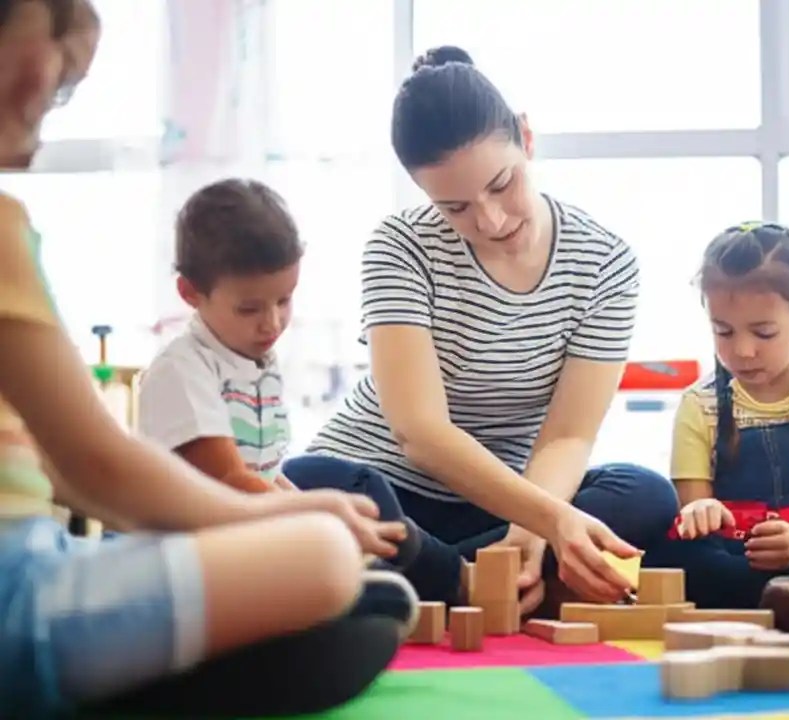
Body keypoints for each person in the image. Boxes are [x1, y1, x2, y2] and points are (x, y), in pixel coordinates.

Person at [0, 2, 408, 717]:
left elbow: (69, 476)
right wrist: (301, 515)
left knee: (341, 518)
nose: (271, 324)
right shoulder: (176, 360)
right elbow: (105, 471)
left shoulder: (254, 364)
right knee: (324, 558)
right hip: (21, 595)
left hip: (46, 563)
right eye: (53, 58)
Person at [291, 45, 677, 614]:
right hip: (385, 490)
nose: (490, 221)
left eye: (502, 185)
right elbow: (419, 432)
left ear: (526, 137)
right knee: (309, 483)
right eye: (455, 208)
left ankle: (435, 578)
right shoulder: (399, 246)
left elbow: (568, 437)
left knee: (642, 495)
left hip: (506, 503)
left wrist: (532, 530)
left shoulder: (605, 262)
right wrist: (549, 522)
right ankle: (470, 579)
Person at [137, 178, 429, 581]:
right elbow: (231, 482)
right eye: (249, 308)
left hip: (248, 537)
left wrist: (317, 511)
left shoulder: (255, 361)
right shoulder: (182, 371)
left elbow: (266, 474)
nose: (272, 323)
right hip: (192, 562)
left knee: (363, 527)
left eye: (284, 300)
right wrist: (320, 516)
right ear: (190, 293)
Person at [642, 222, 789, 609]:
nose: (743, 351)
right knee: (671, 560)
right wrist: (702, 511)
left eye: (763, 333)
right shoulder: (699, 404)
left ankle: (784, 599)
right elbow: (693, 506)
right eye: (724, 332)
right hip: (732, 556)